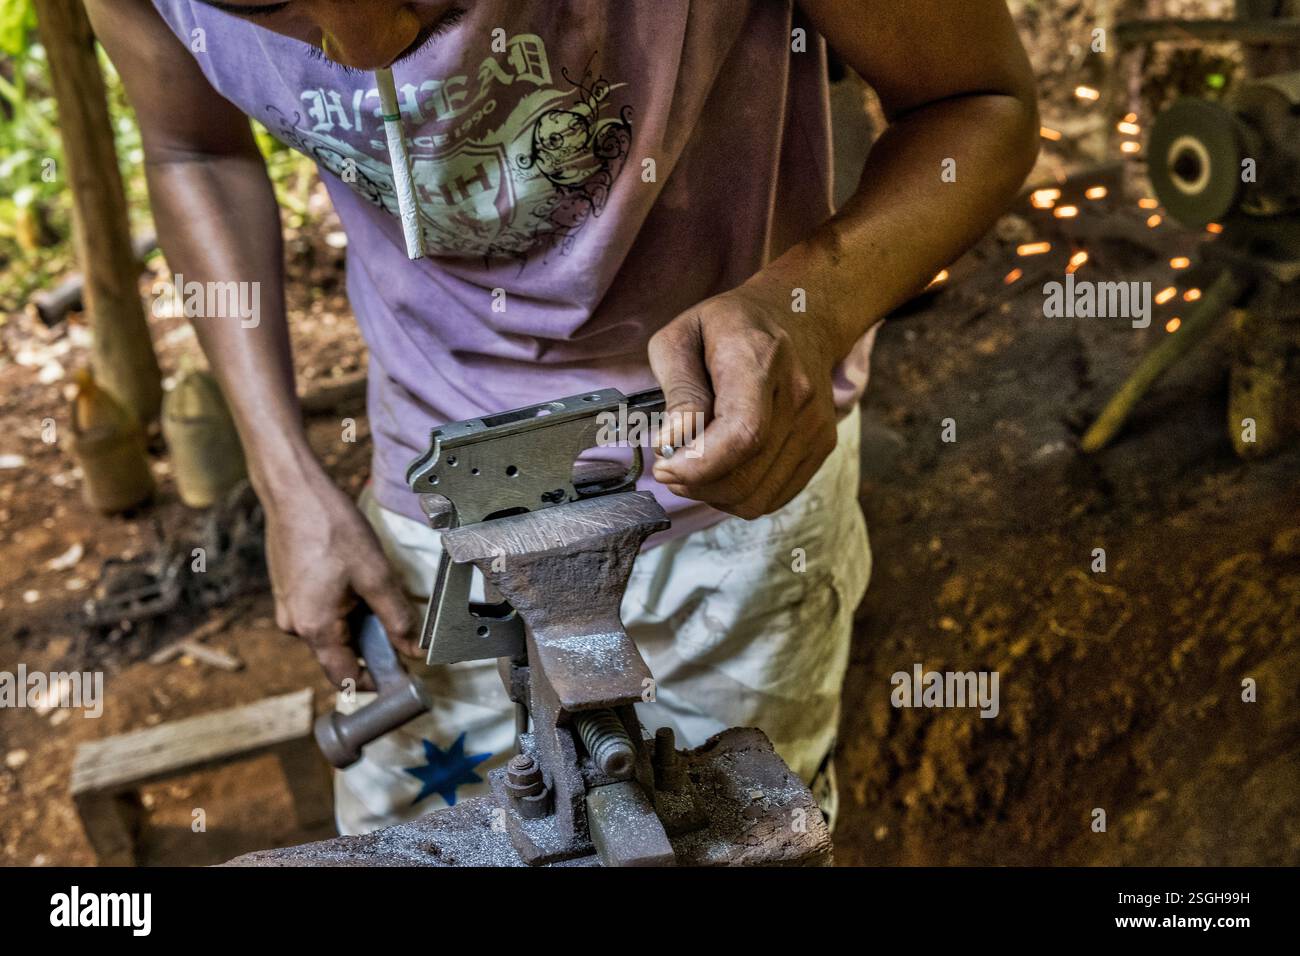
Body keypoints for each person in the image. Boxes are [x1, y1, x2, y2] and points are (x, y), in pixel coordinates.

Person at [85, 0, 1039, 833]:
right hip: (431, 510)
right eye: (270, 4)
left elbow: (976, 105)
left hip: (732, 490)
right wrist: (283, 473)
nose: (377, 44)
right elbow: (190, 149)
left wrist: (809, 307)